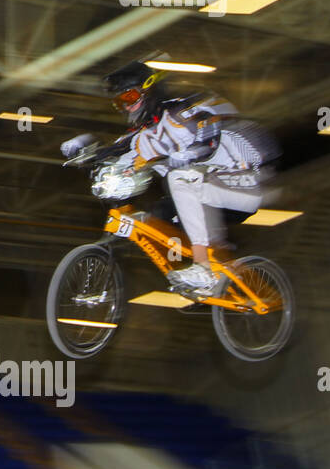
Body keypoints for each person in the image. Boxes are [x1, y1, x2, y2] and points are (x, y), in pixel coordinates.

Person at [64, 57, 277, 296]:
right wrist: (85, 150)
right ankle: (213, 265)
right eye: (120, 102)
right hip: (212, 191)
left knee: (180, 178)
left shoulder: (185, 106)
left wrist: (193, 151)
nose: (127, 107)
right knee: (159, 218)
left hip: (247, 179)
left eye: (130, 98)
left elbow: (211, 129)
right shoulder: (145, 135)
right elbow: (120, 152)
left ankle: (204, 268)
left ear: (149, 89)